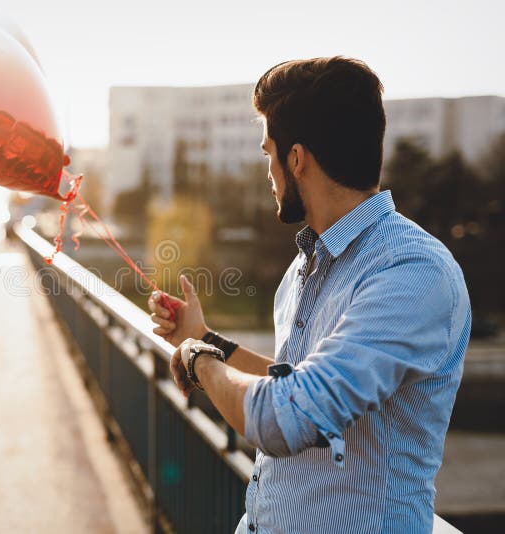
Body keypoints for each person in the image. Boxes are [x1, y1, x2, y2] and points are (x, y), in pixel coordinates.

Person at [148, 57, 470, 534]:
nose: (269, 173)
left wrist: (198, 360)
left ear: (296, 159)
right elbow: (297, 382)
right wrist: (205, 339)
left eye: (267, 154)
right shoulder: (306, 265)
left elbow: (287, 418)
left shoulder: (413, 272)